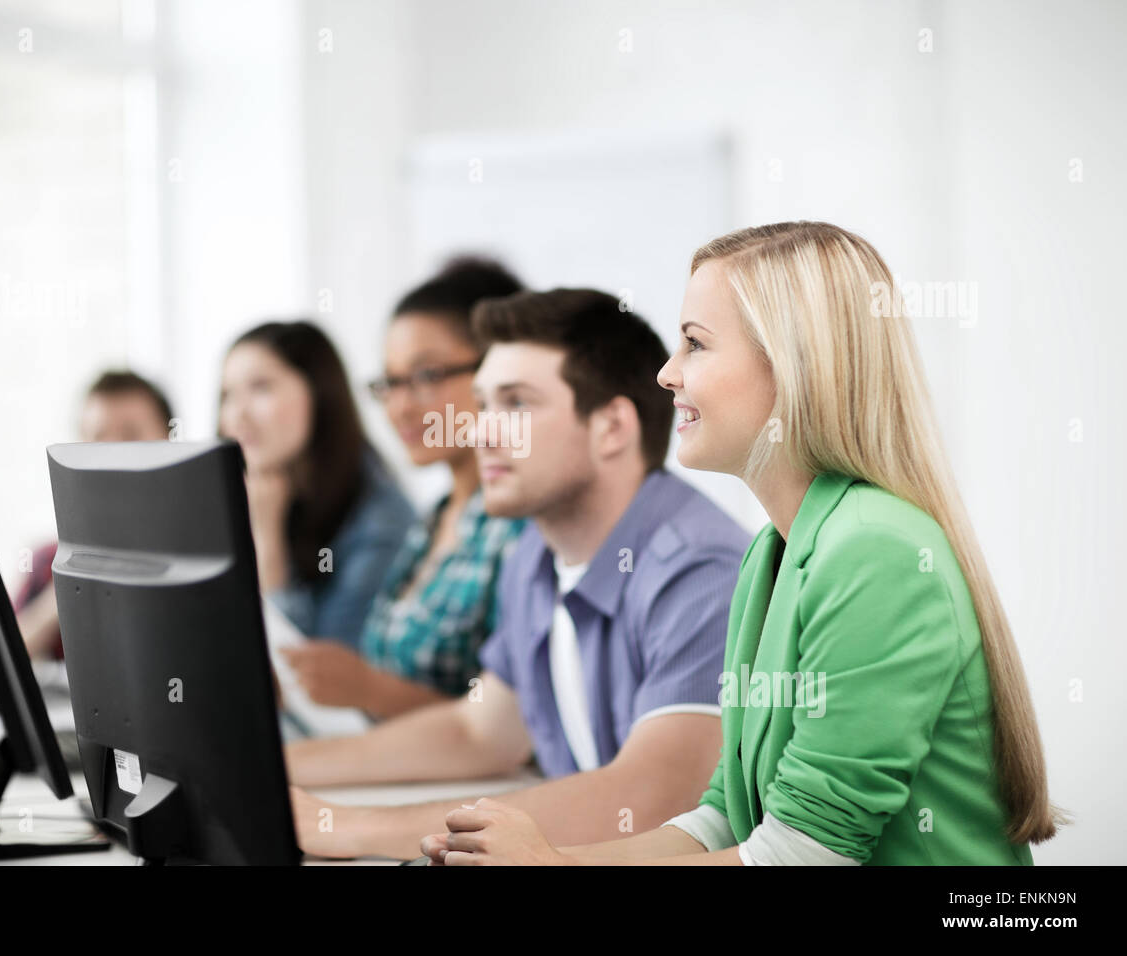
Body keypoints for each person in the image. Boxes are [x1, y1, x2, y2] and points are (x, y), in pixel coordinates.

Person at [420, 221, 1062, 866]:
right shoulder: (771, 553)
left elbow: (805, 854)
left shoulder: (876, 552)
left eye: (695, 345)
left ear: (793, 363)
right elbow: (727, 817)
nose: (667, 375)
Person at [285, 288, 749, 859]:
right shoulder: (535, 552)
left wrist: (342, 826)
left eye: (516, 404)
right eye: (482, 405)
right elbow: (479, 731)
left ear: (611, 427)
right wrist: (274, 769)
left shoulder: (701, 570)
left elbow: (650, 798)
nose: (479, 433)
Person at [280, 257, 528, 719]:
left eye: (427, 376)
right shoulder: (433, 519)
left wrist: (368, 689)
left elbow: (512, 729)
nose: (399, 406)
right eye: (390, 383)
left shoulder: (520, 527)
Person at [218, 320, 414, 646]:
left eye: (261, 388)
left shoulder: (381, 521)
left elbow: (316, 675)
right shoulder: (242, 498)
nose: (237, 415)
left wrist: (267, 540)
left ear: (319, 394)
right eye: (227, 394)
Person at [5, 369, 173, 668]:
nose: (110, 452)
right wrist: (69, 582)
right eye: (97, 437)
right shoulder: (48, 560)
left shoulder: (195, 551)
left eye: (131, 435)